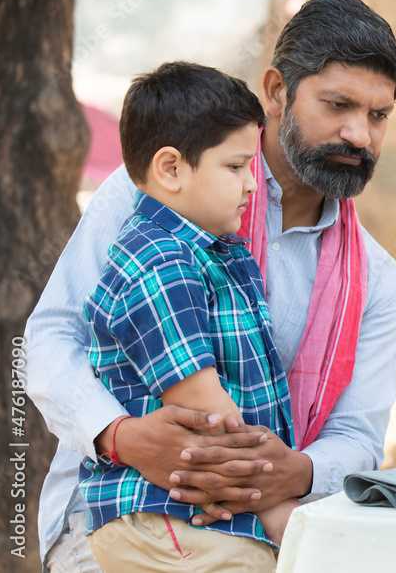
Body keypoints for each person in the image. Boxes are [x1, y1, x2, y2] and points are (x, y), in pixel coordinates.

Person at [26, 0, 396, 571]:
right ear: (277, 91)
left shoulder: (374, 278)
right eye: (338, 105)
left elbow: (356, 435)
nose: (360, 134)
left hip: (268, 521)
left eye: (378, 115)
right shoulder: (154, 192)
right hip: (118, 518)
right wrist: (120, 435)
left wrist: (295, 472)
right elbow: (50, 338)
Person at [80, 61, 298, 570]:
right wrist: (274, 504)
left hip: (208, 505)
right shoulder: (161, 263)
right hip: (163, 515)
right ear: (171, 169)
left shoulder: (210, 251)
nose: (251, 185)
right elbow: (209, 414)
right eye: (235, 167)